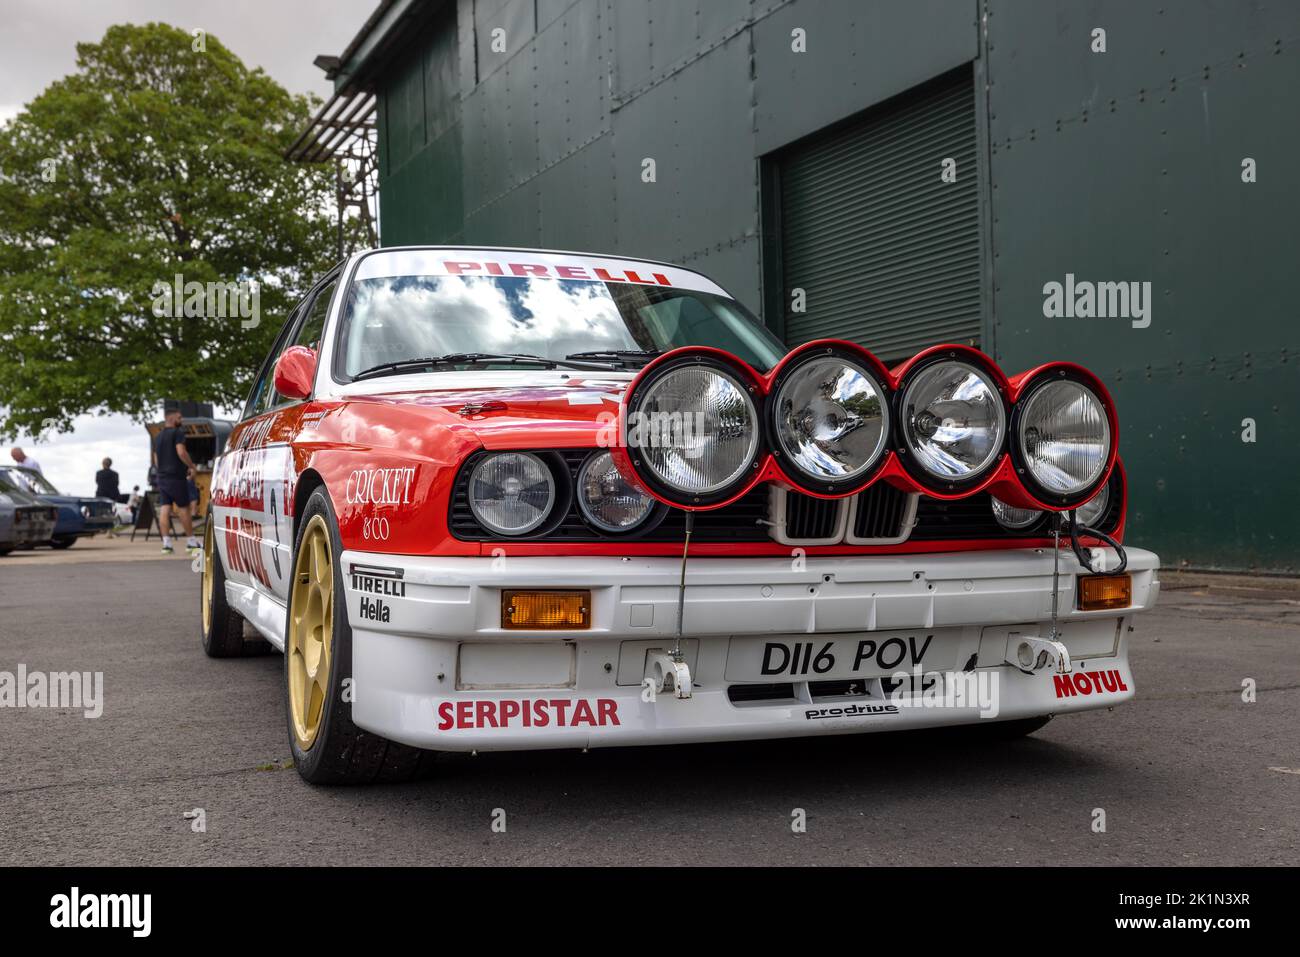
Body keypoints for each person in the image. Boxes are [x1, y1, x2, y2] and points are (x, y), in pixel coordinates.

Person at [152, 410, 200, 554]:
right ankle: (191, 542)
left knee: (165, 508)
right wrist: (191, 466)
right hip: (176, 477)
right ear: (171, 418)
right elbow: (181, 452)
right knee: (183, 508)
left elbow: (156, 458)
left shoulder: (158, 436)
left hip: (162, 477)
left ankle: (166, 544)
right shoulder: (177, 433)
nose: (182, 419)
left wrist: (161, 470)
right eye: (179, 417)